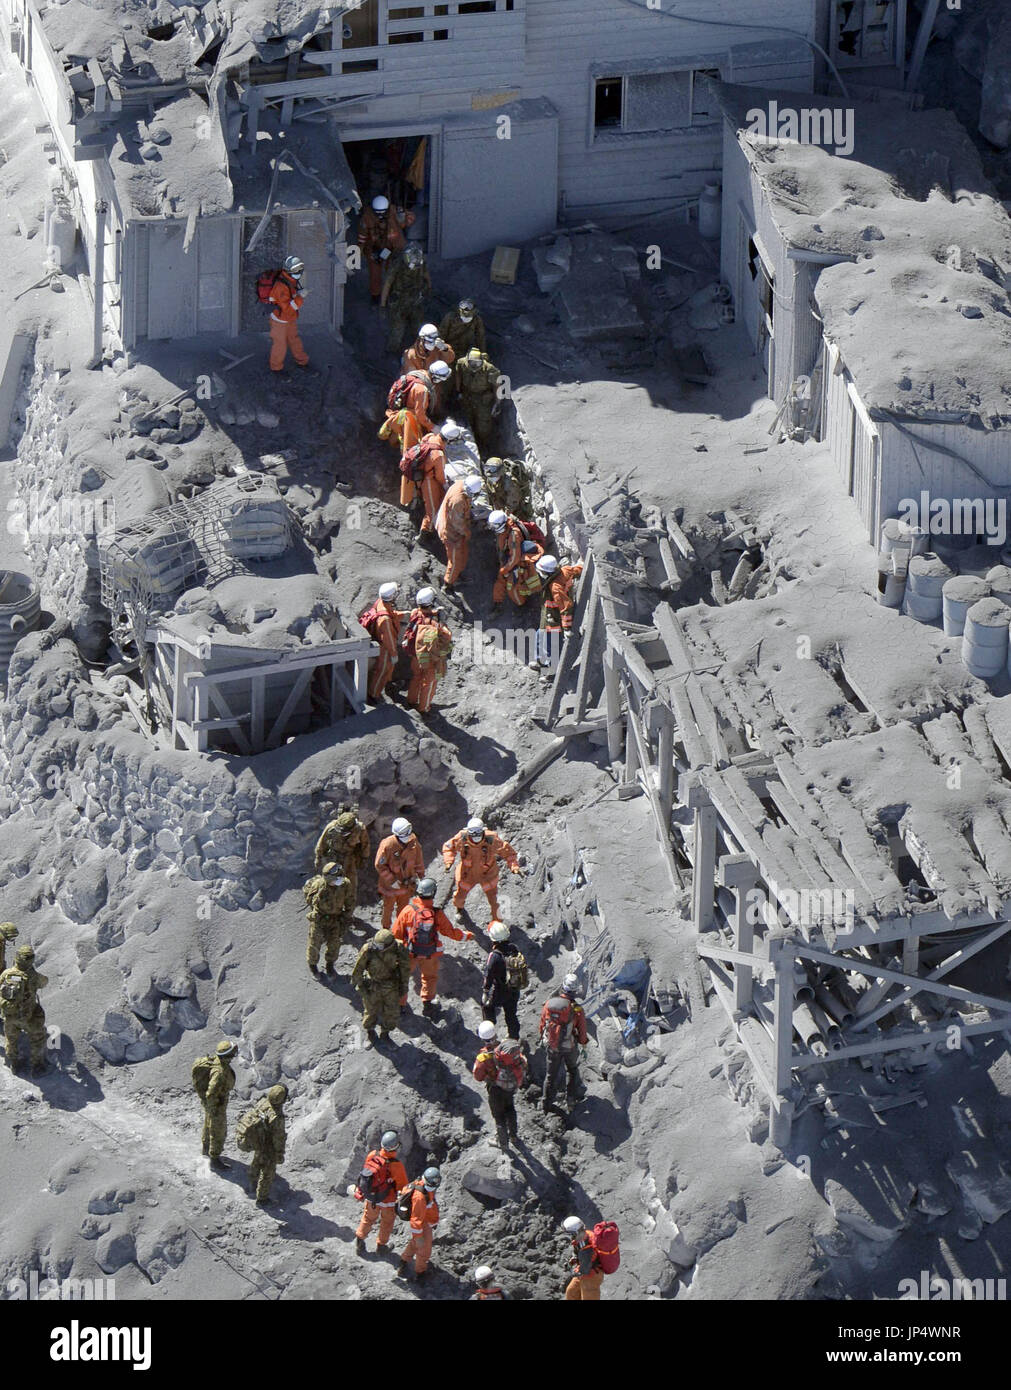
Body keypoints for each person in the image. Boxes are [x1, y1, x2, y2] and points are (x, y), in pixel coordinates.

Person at [392, 877, 473, 1018]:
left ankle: (400, 1006)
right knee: (429, 978)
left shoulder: (408, 910)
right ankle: (428, 1005)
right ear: (433, 893)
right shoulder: (436, 913)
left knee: (402, 978)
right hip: (430, 953)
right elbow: (450, 932)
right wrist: (466, 936)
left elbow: (396, 933)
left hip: (409, 953)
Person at [441, 816, 520, 919]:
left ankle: (497, 919)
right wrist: (448, 862)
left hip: (487, 874)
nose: (475, 836)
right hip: (467, 874)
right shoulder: (462, 837)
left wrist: (514, 866)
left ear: (483, 830)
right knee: (459, 897)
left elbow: (508, 852)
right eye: (472, 833)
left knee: (493, 897)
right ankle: (459, 909)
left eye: (478, 832)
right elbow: (448, 847)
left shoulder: (491, 838)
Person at [350, 928, 411, 1047]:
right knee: (370, 1011)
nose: (377, 947)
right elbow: (358, 969)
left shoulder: (398, 948)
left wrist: (404, 985)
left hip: (391, 986)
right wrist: (360, 986)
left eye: (381, 945)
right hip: (372, 985)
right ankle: (370, 1031)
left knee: (392, 1012)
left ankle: (385, 1034)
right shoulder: (368, 949)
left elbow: (405, 968)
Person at [473, 1020, 527, 1148]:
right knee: (510, 1109)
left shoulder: (483, 1057)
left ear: (482, 1038)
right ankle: (514, 1136)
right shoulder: (506, 1048)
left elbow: (478, 1076)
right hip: (510, 1086)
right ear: (495, 1034)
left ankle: (502, 1143)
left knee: (499, 1116)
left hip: (495, 1090)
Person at [354, 1130, 409, 1256]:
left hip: (371, 1197)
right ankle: (381, 1246)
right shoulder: (397, 1166)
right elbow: (403, 1186)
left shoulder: (373, 1154)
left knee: (367, 1219)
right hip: (387, 1201)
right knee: (387, 1223)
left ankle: (359, 1241)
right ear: (396, 1147)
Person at [539, 974, 588, 1111]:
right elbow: (582, 1031)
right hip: (569, 1046)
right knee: (572, 1071)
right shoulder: (576, 1009)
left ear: (563, 986)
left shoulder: (549, 1004)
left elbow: (542, 1024)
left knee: (550, 1076)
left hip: (552, 1046)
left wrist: (546, 1039)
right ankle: (571, 1102)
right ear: (575, 990)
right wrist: (583, 1043)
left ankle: (546, 1105)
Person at [0, 943, 48, 1075]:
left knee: (11, 1040)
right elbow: (45, 982)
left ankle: (15, 1065)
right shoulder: (33, 976)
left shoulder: (7, 974)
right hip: (29, 1016)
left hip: (10, 1016)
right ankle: (37, 1067)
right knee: (37, 1039)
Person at [403, 589, 453, 715]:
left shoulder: (415, 613)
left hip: (416, 654)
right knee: (429, 683)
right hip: (429, 658)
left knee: (416, 677)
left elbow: (424, 614)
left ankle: (411, 701)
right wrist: (441, 621)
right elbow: (447, 636)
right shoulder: (434, 624)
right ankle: (424, 709)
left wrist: (434, 612)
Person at [237, 1084, 287, 1206]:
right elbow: (278, 1137)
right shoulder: (277, 1117)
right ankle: (262, 1199)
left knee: (257, 1161)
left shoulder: (263, 1102)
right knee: (267, 1172)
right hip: (268, 1144)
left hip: (258, 1140)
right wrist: (279, 1153)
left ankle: (252, 1184)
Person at [359, 194, 413, 303]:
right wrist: (360, 249)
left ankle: (394, 293)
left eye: (382, 213)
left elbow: (410, 218)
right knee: (375, 272)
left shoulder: (395, 212)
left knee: (394, 271)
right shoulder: (367, 217)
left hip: (394, 247)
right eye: (377, 213)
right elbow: (362, 235)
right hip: (375, 248)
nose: (380, 216)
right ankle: (375, 296)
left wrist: (404, 218)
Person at [194, 1039, 238, 1169]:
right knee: (218, 1131)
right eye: (231, 1054)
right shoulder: (219, 1072)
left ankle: (205, 1149)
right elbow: (211, 1092)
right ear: (226, 1056)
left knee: (208, 1126)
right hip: (216, 1106)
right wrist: (215, 1107)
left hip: (211, 1105)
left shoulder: (217, 1063)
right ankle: (214, 1159)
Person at [374, 817, 425, 927]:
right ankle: (386, 928)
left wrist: (421, 875)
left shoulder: (413, 841)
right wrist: (392, 881)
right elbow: (379, 865)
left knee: (403, 908)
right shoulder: (388, 845)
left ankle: (401, 927)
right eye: (405, 832)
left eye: (409, 830)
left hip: (406, 885)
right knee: (388, 908)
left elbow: (418, 859)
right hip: (391, 887)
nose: (408, 834)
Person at [314, 809, 370, 908]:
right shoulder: (331, 827)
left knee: (351, 884)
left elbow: (365, 844)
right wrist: (318, 857)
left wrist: (364, 858)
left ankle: (349, 907)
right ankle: (330, 904)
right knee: (330, 881)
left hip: (349, 859)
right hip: (333, 858)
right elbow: (322, 843)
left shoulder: (360, 829)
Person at [303, 862, 351, 975]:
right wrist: (315, 912)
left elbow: (350, 900)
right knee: (314, 944)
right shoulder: (318, 885)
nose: (338, 880)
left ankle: (330, 965)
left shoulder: (345, 884)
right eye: (335, 879)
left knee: (334, 944)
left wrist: (346, 917)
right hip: (320, 919)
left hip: (335, 919)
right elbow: (309, 898)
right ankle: (313, 966)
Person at [536, 556, 583, 672]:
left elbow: (565, 608)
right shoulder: (564, 570)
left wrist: (567, 628)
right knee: (539, 636)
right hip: (547, 615)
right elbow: (577, 570)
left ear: (546, 571)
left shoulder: (555, 587)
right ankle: (540, 661)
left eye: (541, 571)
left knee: (550, 645)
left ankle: (551, 672)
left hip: (553, 619)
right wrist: (582, 564)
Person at [396, 1165, 441, 1284]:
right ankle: (420, 1273)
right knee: (424, 1251)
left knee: (414, 1244)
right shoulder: (420, 1197)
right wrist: (419, 1237)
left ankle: (403, 1261)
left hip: (425, 1221)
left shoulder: (423, 1187)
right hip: (422, 1225)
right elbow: (415, 1220)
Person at [435, 474, 483, 587]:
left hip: (450, 523)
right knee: (455, 561)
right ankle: (448, 584)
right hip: (451, 533)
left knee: (463, 554)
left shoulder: (461, 484)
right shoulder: (458, 501)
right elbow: (457, 524)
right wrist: (467, 532)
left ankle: (457, 574)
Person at [489, 511, 544, 608]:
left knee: (512, 586)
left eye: (495, 526)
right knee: (501, 580)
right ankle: (497, 602)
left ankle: (522, 604)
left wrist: (505, 569)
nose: (493, 529)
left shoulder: (514, 535)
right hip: (508, 558)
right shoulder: (506, 529)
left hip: (516, 562)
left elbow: (515, 557)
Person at [482, 920, 525, 1040]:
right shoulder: (514, 948)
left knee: (487, 1006)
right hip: (514, 989)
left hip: (500, 991)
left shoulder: (494, 956)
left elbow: (488, 975)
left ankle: (489, 1032)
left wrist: (485, 992)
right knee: (511, 1015)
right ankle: (514, 1038)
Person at [365, 582, 408, 704]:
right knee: (382, 670)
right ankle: (373, 695)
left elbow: (390, 613)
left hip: (385, 644)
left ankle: (387, 684)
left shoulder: (380, 602)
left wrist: (402, 614)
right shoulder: (385, 620)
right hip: (386, 648)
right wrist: (394, 654)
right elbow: (388, 638)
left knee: (388, 668)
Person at [455, 347, 501, 456]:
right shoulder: (461, 363)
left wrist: (497, 402)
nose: (474, 366)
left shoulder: (490, 369)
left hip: (483, 399)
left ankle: (484, 447)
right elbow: (458, 376)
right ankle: (471, 445)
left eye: (477, 363)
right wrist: (458, 392)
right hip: (467, 396)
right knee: (468, 421)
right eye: (472, 363)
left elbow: (497, 386)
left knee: (484, 426)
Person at [383, 244, 430, 350]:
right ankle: (392, 351)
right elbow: (387, 284)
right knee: (397, 329)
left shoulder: (421, 264)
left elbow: (426, 277)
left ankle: (418, 350)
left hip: (416, 298)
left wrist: (428, 291)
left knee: (418, 327)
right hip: (399, 300)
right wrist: (383, 304)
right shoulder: (397, 265)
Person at [267, 255, 310, 373]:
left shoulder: (290, 280)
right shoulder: (281, 287)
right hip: (279, 321)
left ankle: (302, 361)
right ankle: (276, 369)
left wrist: (298, 294)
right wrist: (300, 297)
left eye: (300, 269)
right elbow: (287, 309)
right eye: (296, 270)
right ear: (289, 271)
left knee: (294, 340)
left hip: (289, 319)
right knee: (280, 345)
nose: (299, 272)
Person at [563, 1216, 604, 1301]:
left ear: (575, 1233)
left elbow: (583, 1271)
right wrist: (574, 1259)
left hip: (591, 1277)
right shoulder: (585, 1235)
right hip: (585, 1269)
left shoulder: (585, 1249)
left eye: (570, 1234)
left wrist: (571, 1270)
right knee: (571, 1293)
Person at [482, 456, 534, 521]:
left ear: (500, 471)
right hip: (501, 502)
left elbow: (513, 504)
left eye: (492, 468)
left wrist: (503, 515)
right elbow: (491, 493)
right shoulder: (491, 479)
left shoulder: (510, 483)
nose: (489, 471)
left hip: (515, 508)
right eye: (487, 468)